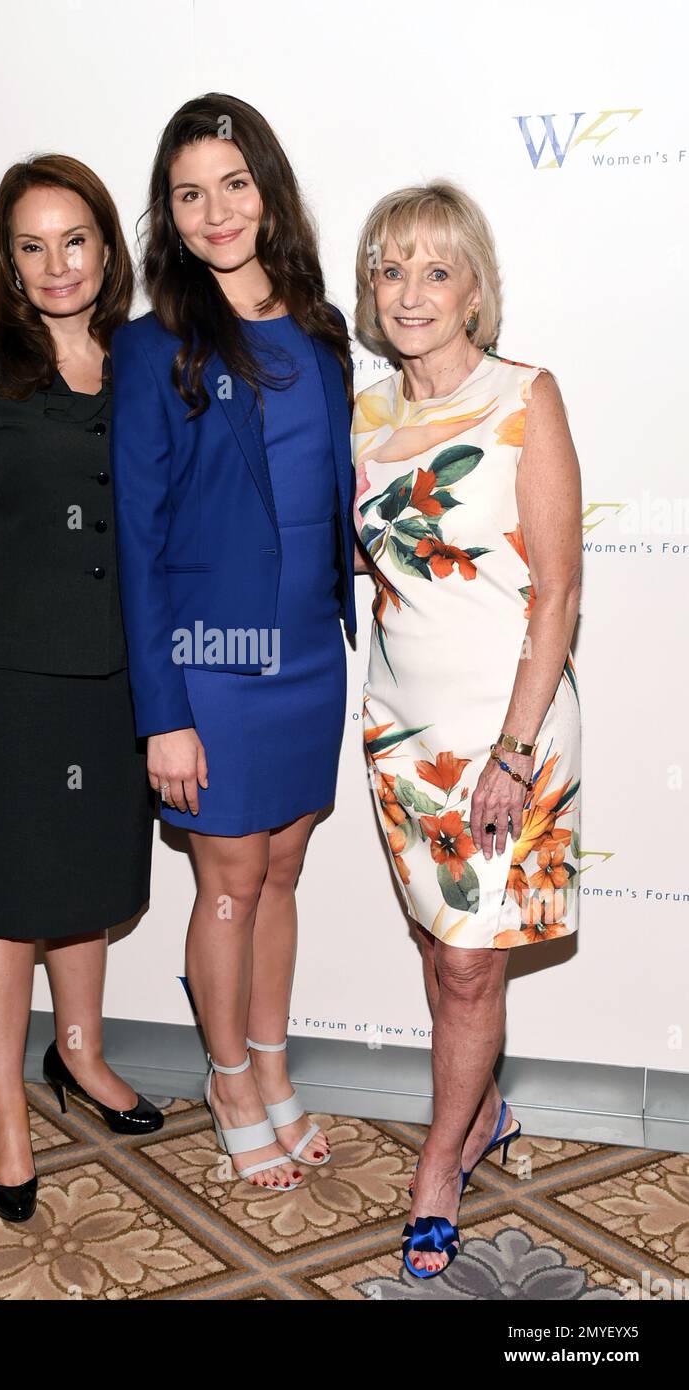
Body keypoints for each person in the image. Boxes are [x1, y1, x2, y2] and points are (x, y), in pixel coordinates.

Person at [111, 93, 358, 1191]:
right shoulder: (152, 347)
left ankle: (269, 1062)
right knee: (227, 880)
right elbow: (134, 532)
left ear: (267, 189)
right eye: (187, 193)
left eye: (233, 184)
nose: (215, 211)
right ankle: (224, 1078)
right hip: (210, 659)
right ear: (167, 214)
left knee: (283, 868)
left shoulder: (321, 330)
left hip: (306, 650)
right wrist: (160, 708)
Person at [0, 155, 162, 1225]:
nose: (56, 264)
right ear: (9, 263)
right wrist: (14, 630)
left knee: (88, 883)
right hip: (15, 680)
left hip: (120, 677)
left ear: (107, 250)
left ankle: (83, 1059)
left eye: (75, 240)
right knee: (7, 905)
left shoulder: (145, 360)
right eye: (32, 245)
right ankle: (3, 1113)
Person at [351, 180, 582, 1276]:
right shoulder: (363, 413)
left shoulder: (523, 396)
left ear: (473, 289)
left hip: (505, 733)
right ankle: (480, 1111)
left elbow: (556, 596)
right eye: (389, 268)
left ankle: (439, 1161)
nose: (409, 290)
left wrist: (511, 750)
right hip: (399, 735)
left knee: (464, 968)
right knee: (443, 956)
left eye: (433, 269)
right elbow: (366, 563)